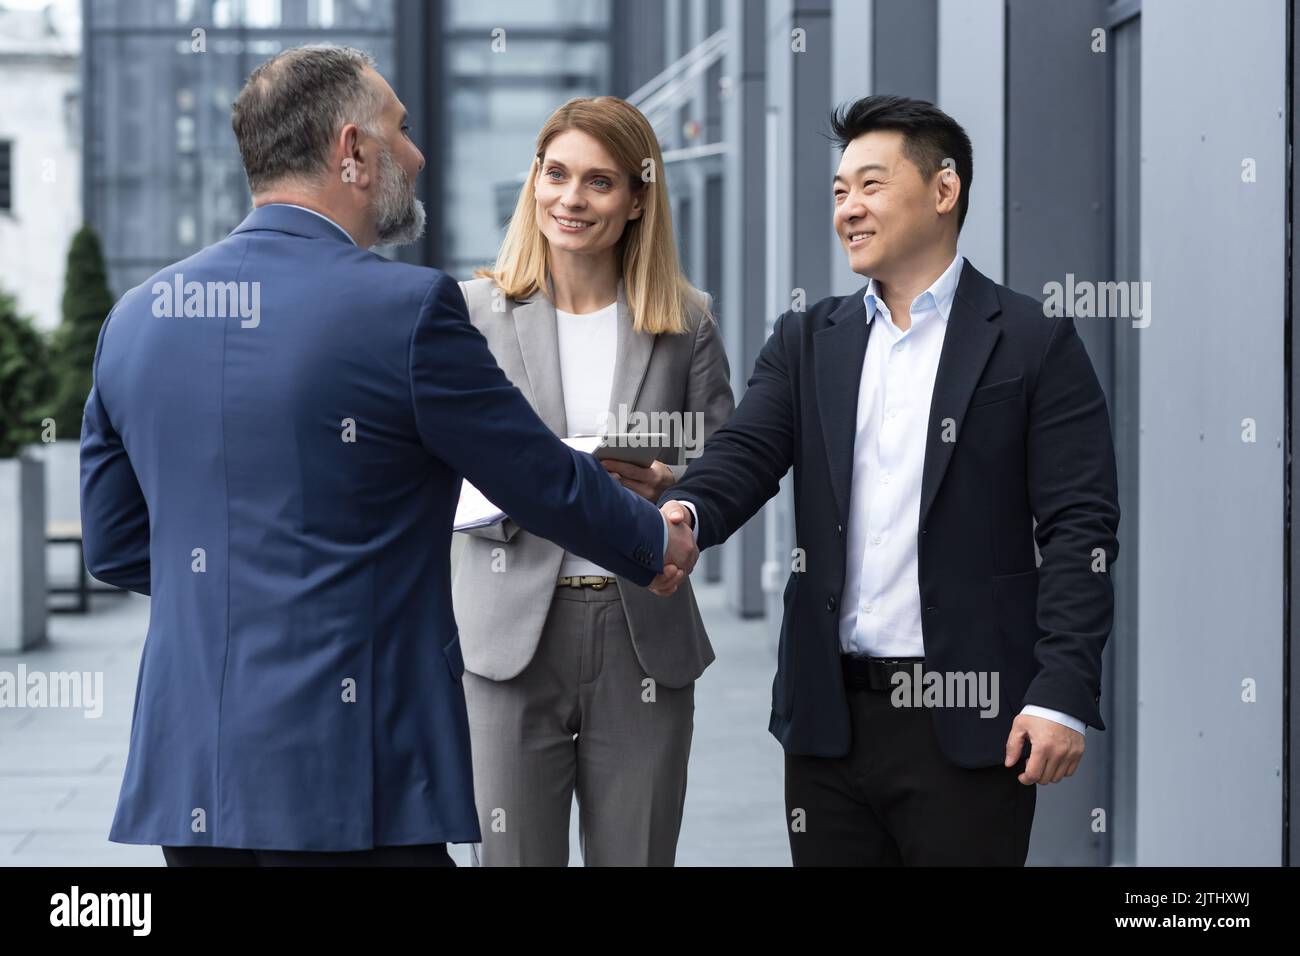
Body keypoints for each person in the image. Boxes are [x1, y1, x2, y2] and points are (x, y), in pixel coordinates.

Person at [79, 44, 696, 868]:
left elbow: (116, 546)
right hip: (351, 772)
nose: (417, 152)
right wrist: (653, 541)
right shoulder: (404, 309)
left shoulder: (138, 316)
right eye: (400, 130)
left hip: (191, 773)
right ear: (352, 152)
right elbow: (536, 476)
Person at [660, 94, 1120, 866]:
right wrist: (683, 513)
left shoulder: (1034, 343)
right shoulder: (809, 340)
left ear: (944, 191)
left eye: (870, 185)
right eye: (840, 192)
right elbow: (744, 454)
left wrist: (1061, 689)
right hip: (828, 723)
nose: (848, 209)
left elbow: (1080, 530)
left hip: (971, 718)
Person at [453, 96, 734, 866]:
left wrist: (669, 485)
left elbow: (723, 456)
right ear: (535, 180)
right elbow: (430, 463)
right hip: (506, 634)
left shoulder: (685, 318)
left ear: (639, 196)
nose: (571, 199)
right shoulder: (470, 314)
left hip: (640, 627)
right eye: (557, 174)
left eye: (600, 182)